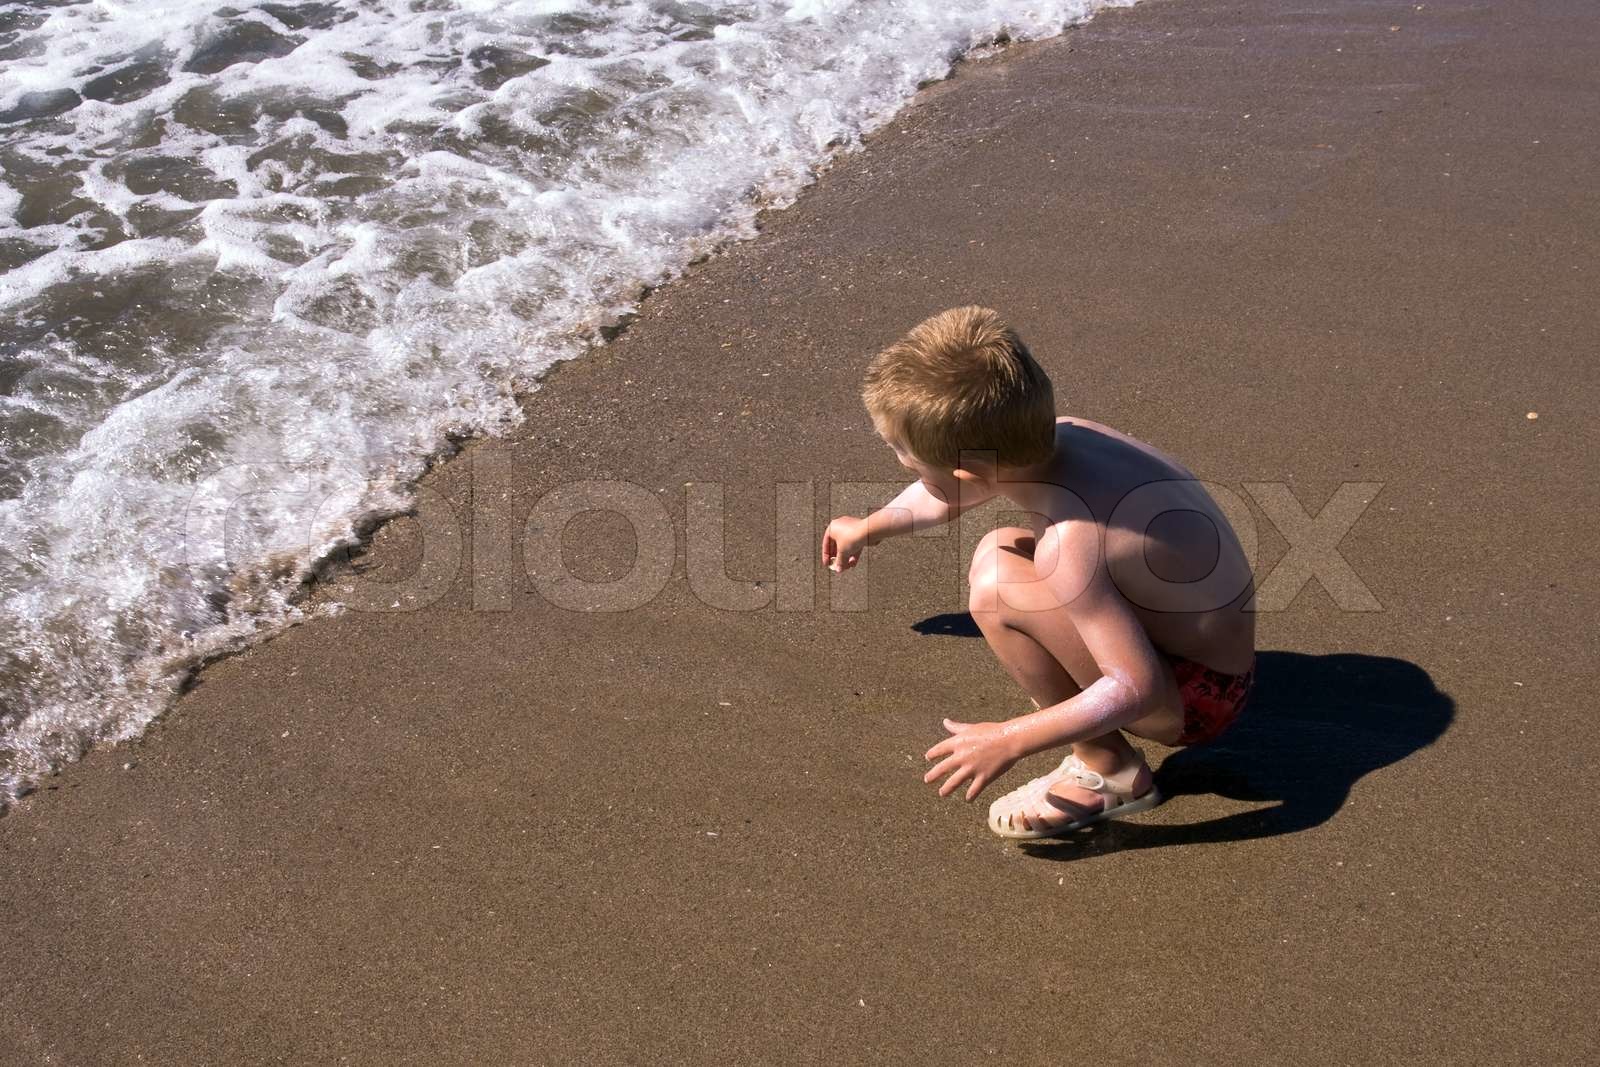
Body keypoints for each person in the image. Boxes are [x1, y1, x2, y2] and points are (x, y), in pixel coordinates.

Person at [822, 306, 1256, 839]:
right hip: (1206, 653)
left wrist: (1011, 737)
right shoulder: (1061, 436)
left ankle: (1109, 769)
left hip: (1199, 702)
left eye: (906, 461)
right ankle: (1105, 754)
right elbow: (953, 491)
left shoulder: (1071, 545)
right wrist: (870, 526)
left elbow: (1135, 689)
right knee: (1000, 549)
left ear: (968, 471)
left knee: (998, 589)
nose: (900, 463)